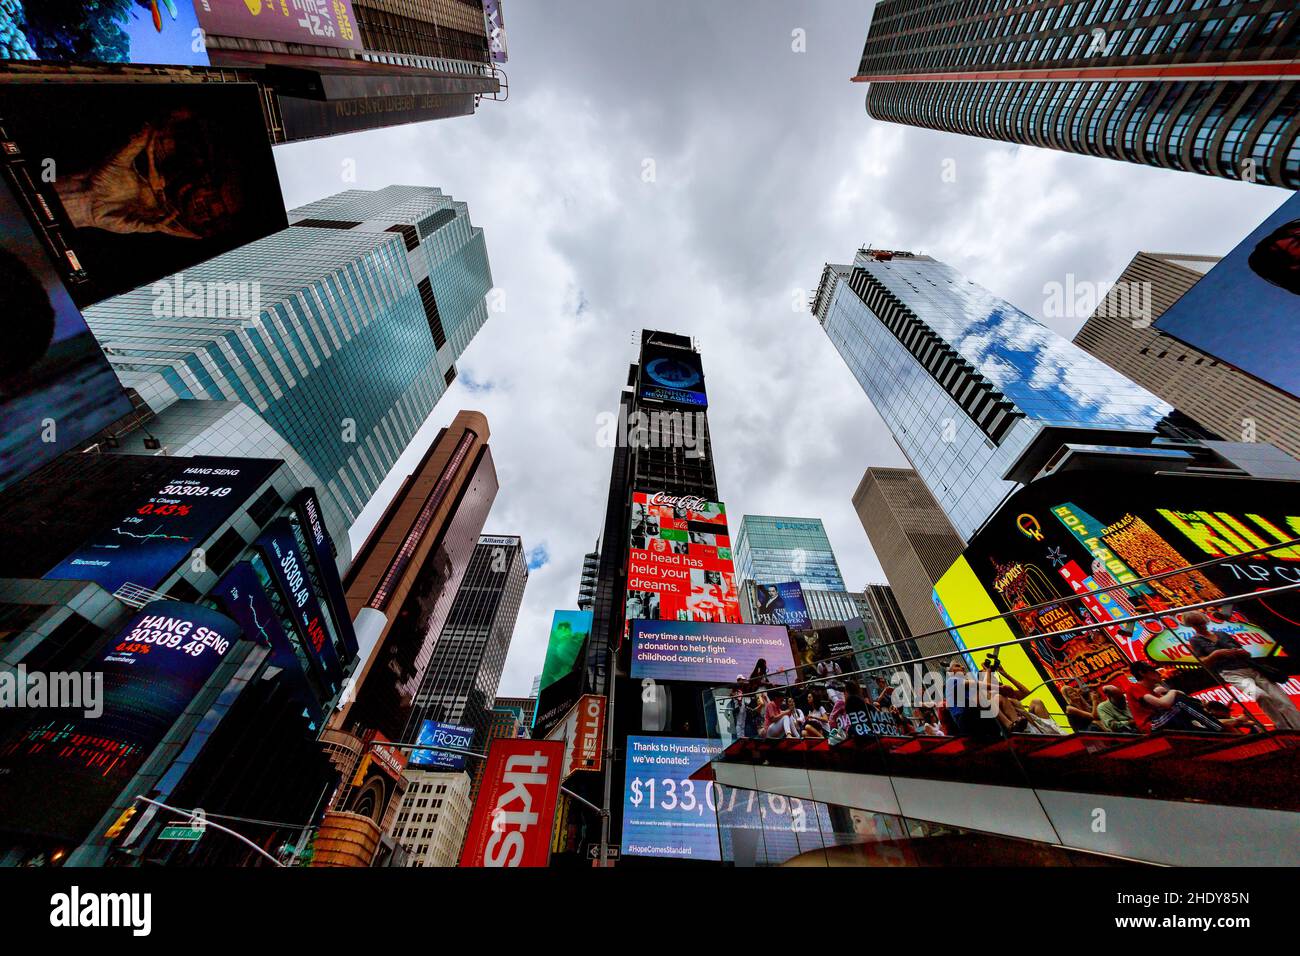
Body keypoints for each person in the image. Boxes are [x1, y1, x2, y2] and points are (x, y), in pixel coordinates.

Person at [1182, 610, 1300, 731]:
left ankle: (1297, 727)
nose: (1201, 626)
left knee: (1282, 700)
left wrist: (1240, 652)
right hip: (1231, 674)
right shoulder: (1195, 640)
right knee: (1259, 695)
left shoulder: (1222, 634)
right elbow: (1203, 662)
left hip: (1251, 668)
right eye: (1197, 624)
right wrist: (1217, 654)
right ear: (1192, 625)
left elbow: (1246, 653)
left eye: (1201, 623)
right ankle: (1283, 727)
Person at [1124, 661, 1224, 733]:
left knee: (1180, 704)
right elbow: (1164, 704)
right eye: (1153, 671)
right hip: (1151, 724)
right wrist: (1173, 691)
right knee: (1179, 702)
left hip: (1162, 718)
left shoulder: (1153, 691)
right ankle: (1219, 728)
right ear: (1142, 673)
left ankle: (1212, 725)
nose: (1158, 673)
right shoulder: (1134, 687)